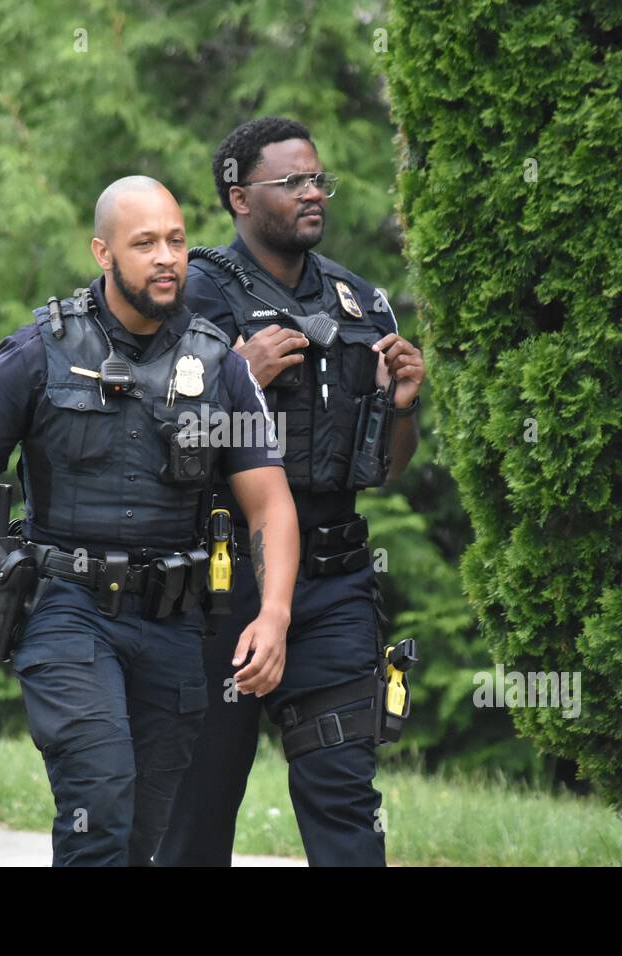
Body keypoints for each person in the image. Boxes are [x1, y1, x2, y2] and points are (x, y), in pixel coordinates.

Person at [0, 175, 299, 866]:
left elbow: (269, 502)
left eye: (176, 240)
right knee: (100, 804)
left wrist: (275, 613)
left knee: (145, 835)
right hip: (68, 611)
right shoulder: (36, 353)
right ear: (102, 252)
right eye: (144, 243)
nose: (167, 257)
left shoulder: (218, 365)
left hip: (173, 622)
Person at [156, 118, 426, 867]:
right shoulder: (191, 302)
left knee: (346, 796)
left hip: (334, 585)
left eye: (319, 180)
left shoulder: (359, 302)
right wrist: (234, 377)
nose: (313, 193)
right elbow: (153, 448)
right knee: (198, 806)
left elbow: (385, 468)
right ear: (240, 197)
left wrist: (401, 403)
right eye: (293, 183)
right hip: (220, 588)